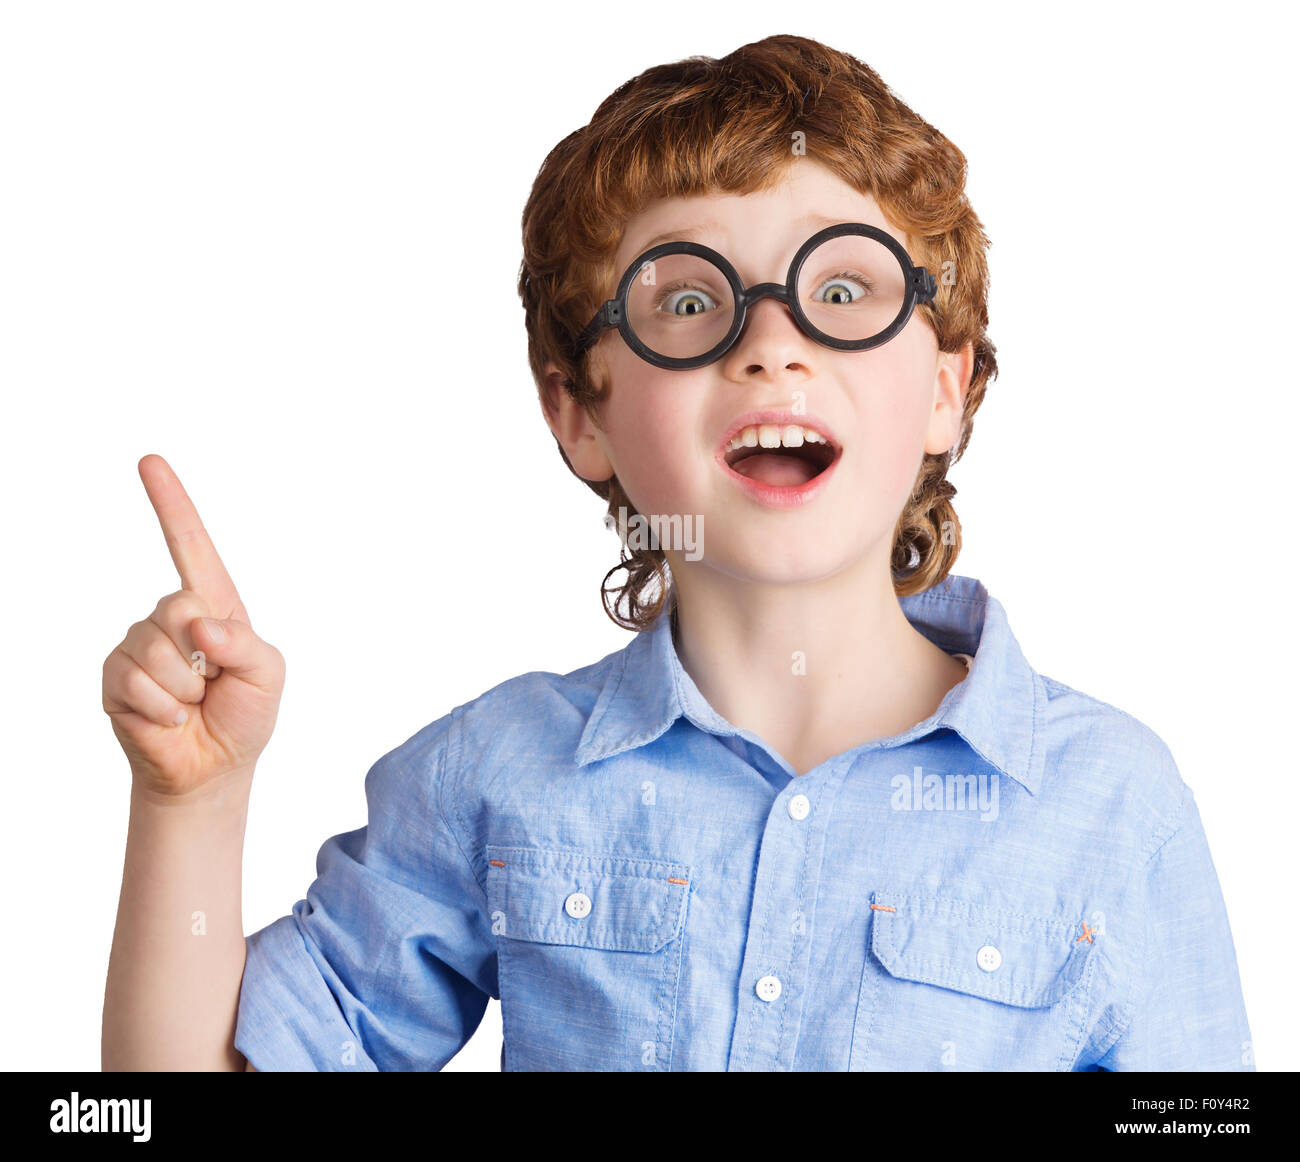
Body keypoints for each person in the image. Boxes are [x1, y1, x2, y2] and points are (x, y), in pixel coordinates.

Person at [101, 34, 1252, 1071]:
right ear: (579, 410)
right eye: (689, 304)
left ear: (946, 386)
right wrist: (190, 803)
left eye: (841, 288)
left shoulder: (1110, 805)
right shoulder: (497, 774)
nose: (772, 343)